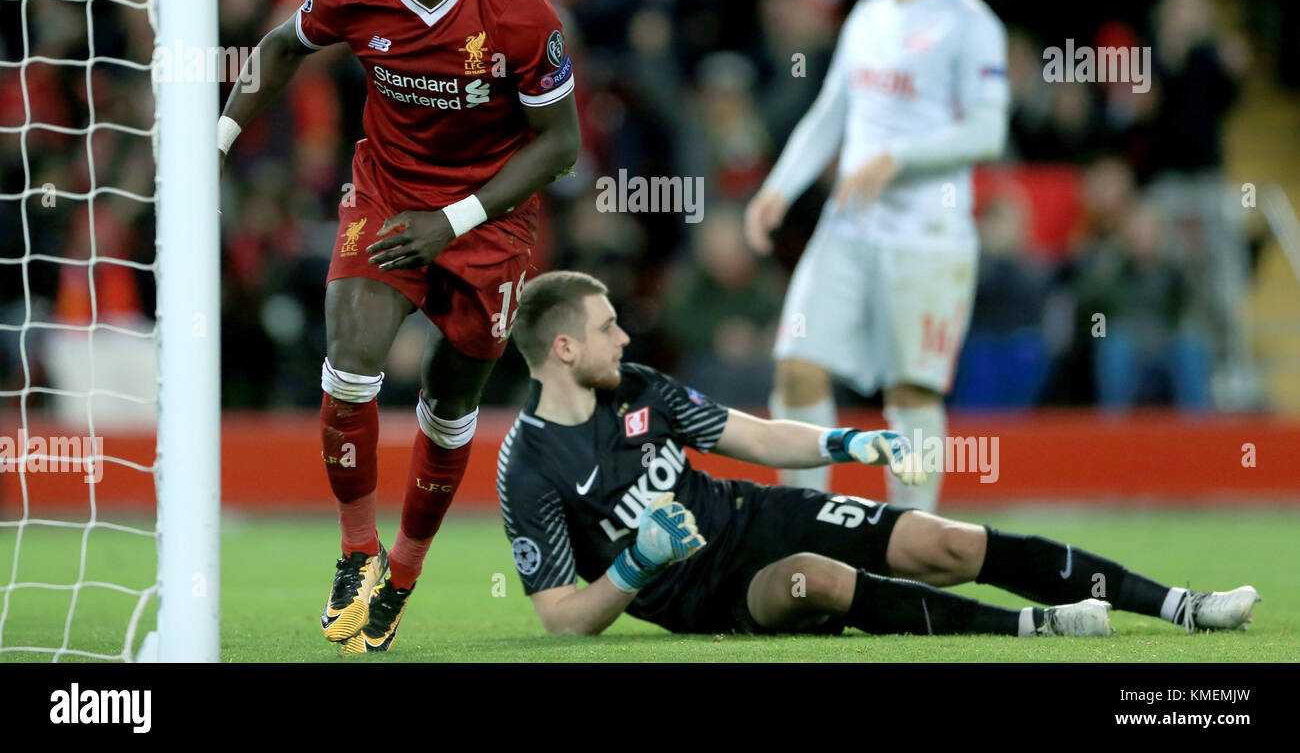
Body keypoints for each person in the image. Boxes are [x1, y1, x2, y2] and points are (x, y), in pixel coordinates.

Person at [218, 0, 581, 653]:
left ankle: (405, 572)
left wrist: (455, 220)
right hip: (385, 195)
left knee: (451, 406)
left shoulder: (521, 11)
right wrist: (217, 138)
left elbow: (561, 145)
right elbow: (279, 48)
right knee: (350, 359)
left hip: (490, 221)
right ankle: (356, 552)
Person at [496, 270, 1259, 640]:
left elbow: (755, 436)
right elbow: (564, 621)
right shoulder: (528, 465)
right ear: (563, 347)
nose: (624, 337)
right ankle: (1038, 627)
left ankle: (1184, 606)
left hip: (752, 514)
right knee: (821, 581)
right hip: (708, 595)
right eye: (607, 328)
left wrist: (848, 442)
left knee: (944, 539)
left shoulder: (637, 384)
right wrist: (636, 564)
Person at [745, 0, 1011, 510]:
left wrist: (899, 157)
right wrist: (779, 187)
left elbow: (987, 131)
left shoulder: (969, 23)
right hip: (848, 228)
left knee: (911, 393)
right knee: (797, 369)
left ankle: (911, 541)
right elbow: (831, 113)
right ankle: (808, 526)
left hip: (928, 239)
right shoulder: (867, 18)